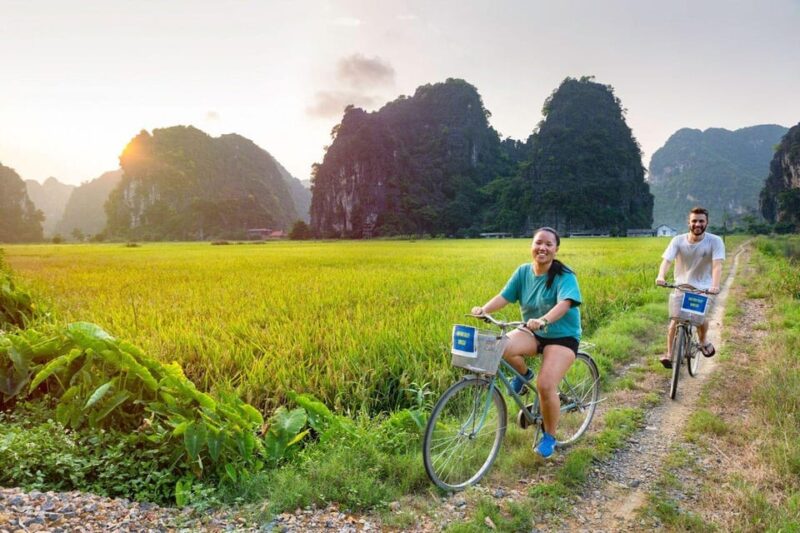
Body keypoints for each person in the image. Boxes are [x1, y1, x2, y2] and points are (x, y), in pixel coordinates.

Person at [471, 227, 582, 458]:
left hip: (562, 336)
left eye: (549, 244)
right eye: (538, 242)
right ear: (532, 245)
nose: (543, 248)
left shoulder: (565, 275)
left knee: (545, 386)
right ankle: (524, 375)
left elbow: (565, 304)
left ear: (556, 249)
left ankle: (549, 436)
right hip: (533, 332)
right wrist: (484, 309)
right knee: (497, 346)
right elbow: (505, 296)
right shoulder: (523, 272)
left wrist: (543, 320)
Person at [655, 206, 725, 368]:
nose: (697, 224)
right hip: (681, 286)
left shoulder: (715, 241)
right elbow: (667, 261)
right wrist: (660, 276)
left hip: (703, 288)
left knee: (700, 319)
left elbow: (717, 266)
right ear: (689, 222)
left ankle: (702, 340)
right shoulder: (677, 240)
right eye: (694, 221)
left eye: (701, 221)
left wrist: (714, 285)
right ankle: (669, 354)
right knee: (675, 320)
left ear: (706, 223)